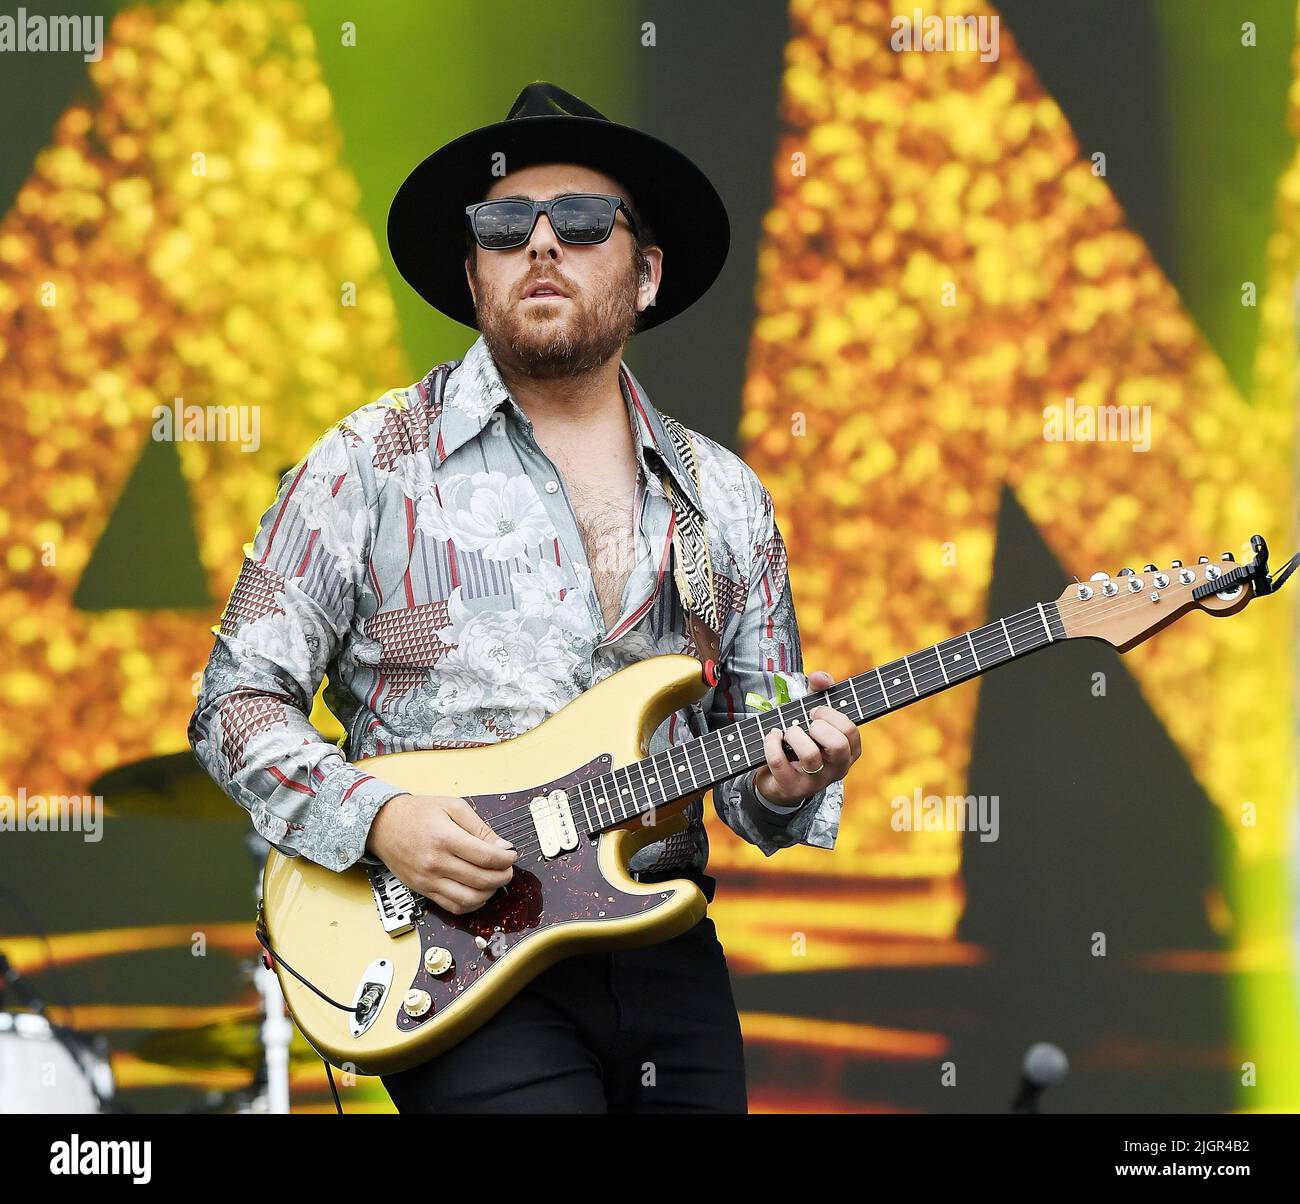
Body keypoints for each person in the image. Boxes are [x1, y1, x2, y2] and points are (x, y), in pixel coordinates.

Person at [188, 82, 862, 1113]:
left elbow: (751, 755)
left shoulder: (724, 495)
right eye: (506, 226)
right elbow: (234, 705)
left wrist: (785, 779)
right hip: (460, 950)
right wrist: (381, 818)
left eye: (582, 222)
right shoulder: (366, 462)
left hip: (663, 943)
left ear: (645, 274)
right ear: (473, 274)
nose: (540, 244)